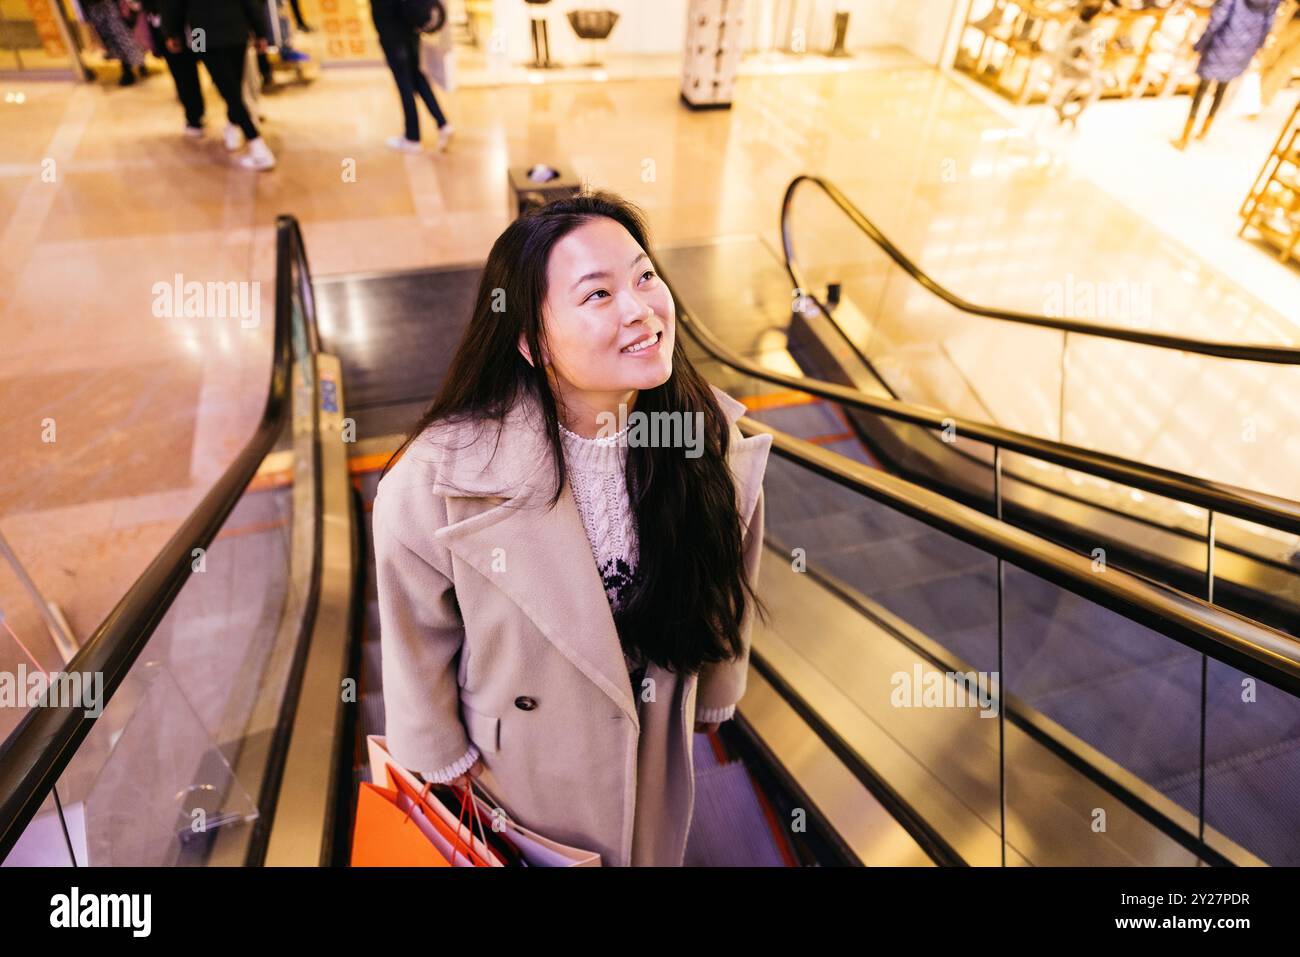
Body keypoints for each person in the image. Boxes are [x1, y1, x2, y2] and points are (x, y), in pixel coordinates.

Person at [372, 191, 772, 866]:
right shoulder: (437, 481)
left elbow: (729, 578)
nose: (642, 310)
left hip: (650, 750)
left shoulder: (708, 440)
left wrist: (716, 694)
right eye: (598, 295)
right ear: (531, 340)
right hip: (521, 779)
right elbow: (416, 633)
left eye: (645, 276)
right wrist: (440, 755)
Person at [161, 0, 276, 170]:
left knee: (229, 90)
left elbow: (173, 6)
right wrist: (260, 32)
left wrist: (171, 33)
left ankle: (256, 145)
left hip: (203, 32)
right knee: (232, 88)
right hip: (235, 28)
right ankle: (233, 126)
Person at [1174, 0, 1283, 148]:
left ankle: (1185, 136)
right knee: (1222, 89)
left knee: (1201, 90)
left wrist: (1200, 45)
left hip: (1220, 42)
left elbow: (1217, 19)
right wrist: (1256, 47)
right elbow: (1268, 23)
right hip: (1245, 47)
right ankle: (1204, 130)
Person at [370, 0, 454, 153]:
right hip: (411, 35)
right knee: (418, 79)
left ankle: (412, 138)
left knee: (405, 86)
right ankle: (442, 123)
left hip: (394, 38)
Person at [1045, 3, 1106, 127]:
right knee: (1090, 84)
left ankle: (1074, 114)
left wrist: (1089, 61)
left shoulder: (1097, 32)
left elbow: (1098, 56)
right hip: (1067, 67)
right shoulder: (1071, 28)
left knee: (1096, 84)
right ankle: (1064, 110)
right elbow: (1061, 52)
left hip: (1082, 69)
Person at [83, 0, 147, 86]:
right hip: (95, 7)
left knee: (122, 35)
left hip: (110, 4)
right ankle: (129, 66)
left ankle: (135, 64)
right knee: (112, 39)